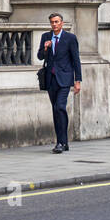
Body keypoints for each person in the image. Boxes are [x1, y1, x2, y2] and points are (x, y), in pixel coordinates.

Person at [37, 12, 81, 153]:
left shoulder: (70, 38)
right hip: (51, 79)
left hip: (64, 79)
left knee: (59, 107)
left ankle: (60, 143)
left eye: (57, 22)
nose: (54, 24)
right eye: (52, 22)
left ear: (62, 23)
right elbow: (39, 56)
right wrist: (45, 48)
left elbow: (76, 60)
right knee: (56, 110)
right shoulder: (46, 36)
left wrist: (77, 80)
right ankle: (63, 142)